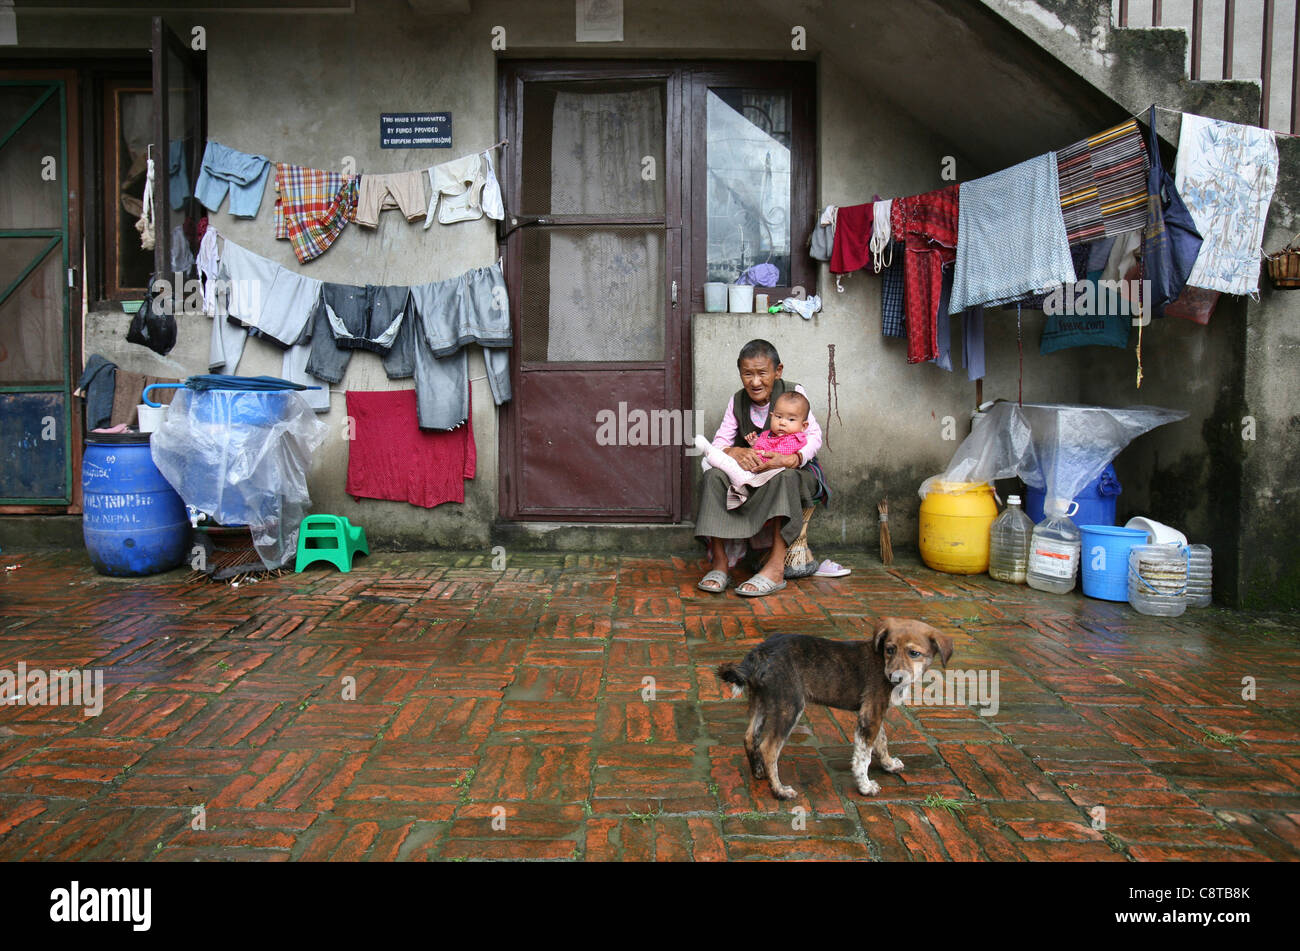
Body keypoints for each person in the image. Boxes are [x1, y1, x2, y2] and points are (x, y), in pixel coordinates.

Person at [694, 340, 823, 597]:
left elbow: (815, 437)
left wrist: (790, 459)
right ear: (740, 373)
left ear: (778, 371)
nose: (755, 382)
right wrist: (736, 451)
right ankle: (720, 564)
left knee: (785, 477)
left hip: (794, 472)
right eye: (747, 373)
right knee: (713, 474)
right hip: (754, 475)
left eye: (762, 373)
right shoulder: (737, 401)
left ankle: (775, 569)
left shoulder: (793, 392)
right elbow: (720, 442)